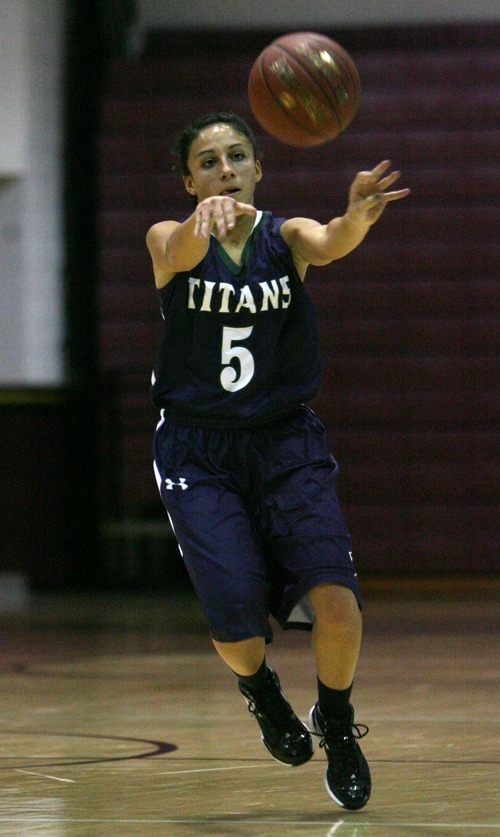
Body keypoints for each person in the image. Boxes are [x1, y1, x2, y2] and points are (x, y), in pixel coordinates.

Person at [146, 111, 409, 810]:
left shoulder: (284, 236)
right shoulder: (169, 236)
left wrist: (357, 217)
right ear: (189, 181)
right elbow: (177, 253)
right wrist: (202, 224)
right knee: (236, 621)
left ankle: (337, 721)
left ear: (259, 168)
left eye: (237, 156)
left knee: (338, 603)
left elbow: (329, 239)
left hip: (284, 441)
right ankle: (261, 692)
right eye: (208, 161)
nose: (225, 169)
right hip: (198, 448)